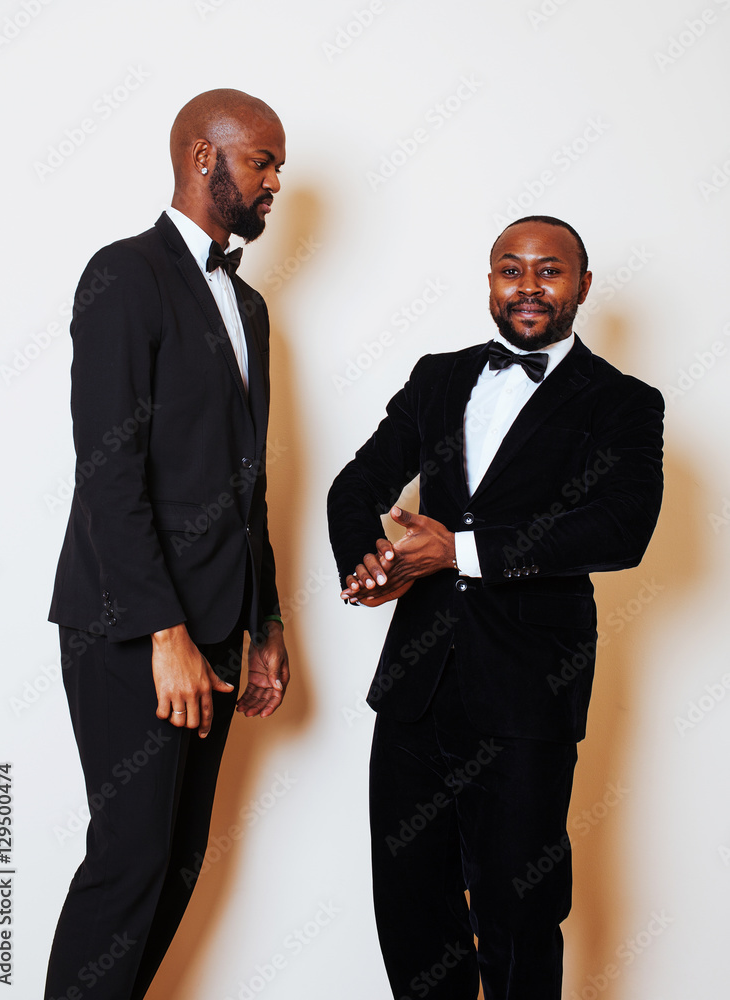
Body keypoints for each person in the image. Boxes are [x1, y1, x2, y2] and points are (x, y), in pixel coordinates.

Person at [327, 216, 664, 1000]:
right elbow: (356, 485)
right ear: (490, 283)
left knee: (519, 909)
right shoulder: (438, 378)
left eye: (549, 271)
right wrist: (372, 563)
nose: (528, 286)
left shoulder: (621, 402)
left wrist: (460, 552)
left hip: (528, 693)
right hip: (416, 691)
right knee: (411, 904)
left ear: (582, 285)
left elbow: (621, 528)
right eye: (510, 270)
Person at [45, 89, 290, 1000]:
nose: (273, 182)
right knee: (130, 860)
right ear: (202, 157)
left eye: (276, 165)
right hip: (131, 628)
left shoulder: (250, 306)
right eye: (259, 162)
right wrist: (164, 634)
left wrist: (263, 622)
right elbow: (108, 474)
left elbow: (247, 477)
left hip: (220, 623)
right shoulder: (123, 274)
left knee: (178, 863)